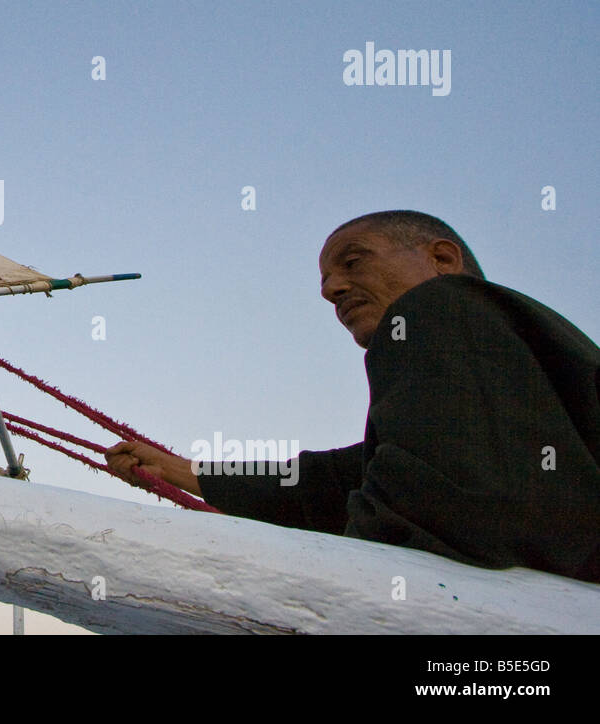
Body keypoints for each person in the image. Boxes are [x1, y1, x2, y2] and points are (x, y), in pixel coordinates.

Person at [107, 210, 600, 583]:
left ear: (442, 258)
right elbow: (339, 479)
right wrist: (184, 472)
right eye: (325, 280)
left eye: (352, 261)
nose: (332, 290)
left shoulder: (438, 305)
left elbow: (445, 505)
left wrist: (327, 588)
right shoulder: (502, 375)